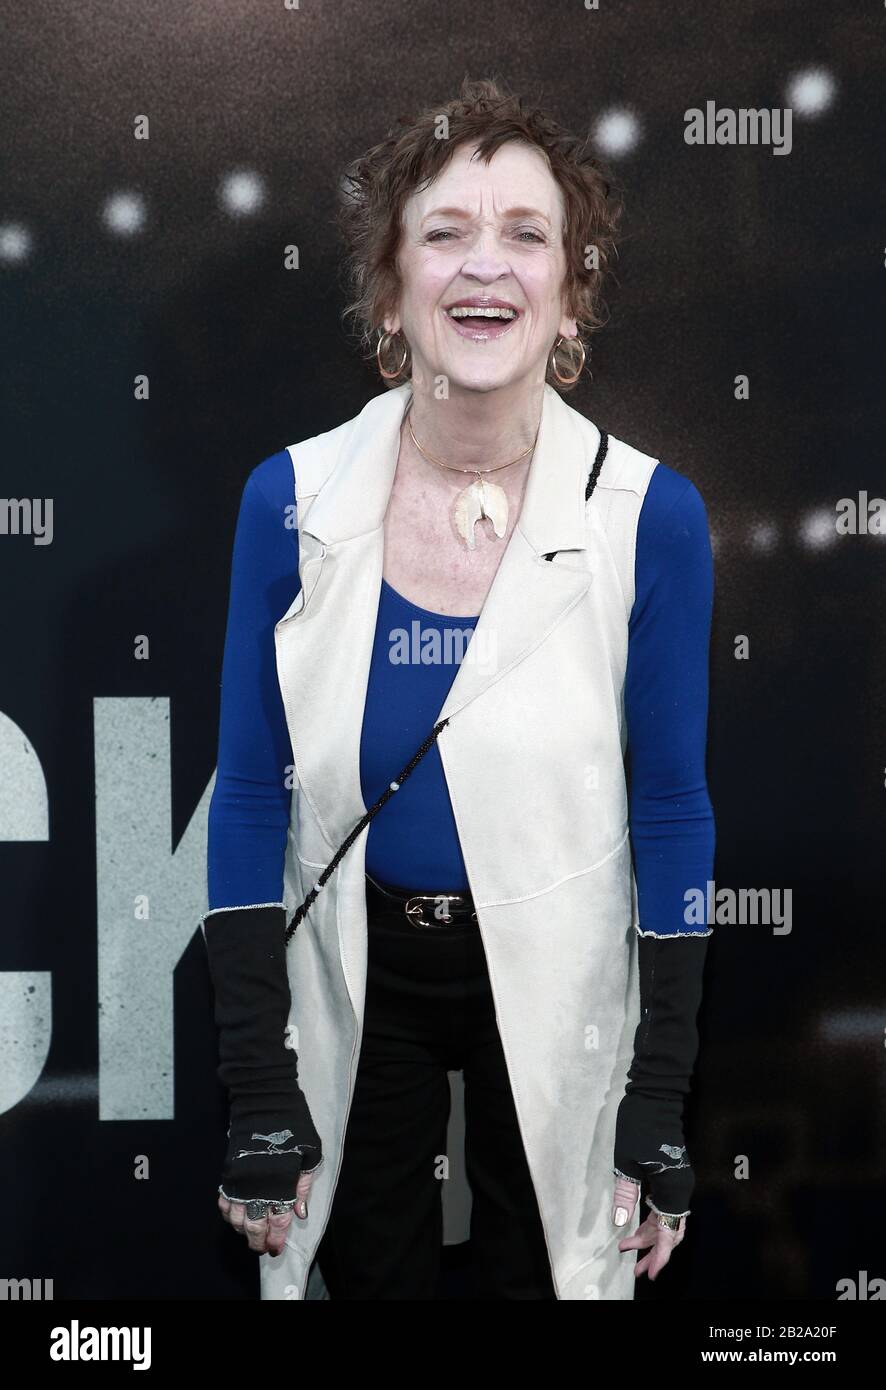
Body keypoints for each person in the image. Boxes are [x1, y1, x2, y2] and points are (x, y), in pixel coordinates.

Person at [200, 76, 715, 1300]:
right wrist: (258, 1083)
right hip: (354, 978)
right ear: (391, 286)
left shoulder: (653, 518)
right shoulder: (290, 501)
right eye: (444, 232)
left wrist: (658, 1087)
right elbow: (248, 799)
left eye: (525, 234)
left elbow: (673, 806)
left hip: (561, 988)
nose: (486, 266)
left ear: (569, 289)